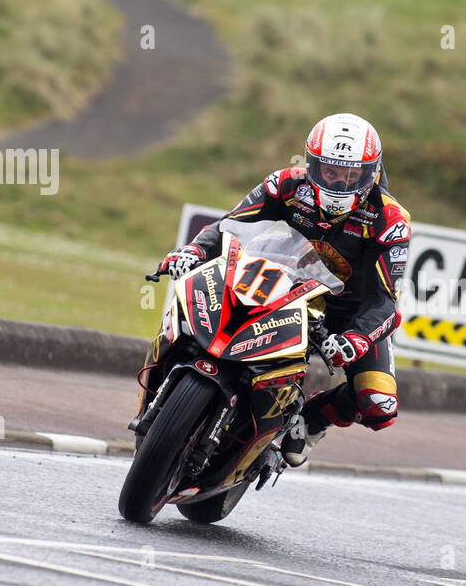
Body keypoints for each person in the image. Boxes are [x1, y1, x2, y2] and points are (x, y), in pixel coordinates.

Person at [157, 113, 411, 467]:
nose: (340, 182)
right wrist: (194, 250)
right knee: (199, 307)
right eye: (331, 172)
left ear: (371, 173)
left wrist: (356, 337)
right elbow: (229, 225)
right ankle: (165, 390)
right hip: (283, 285)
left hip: (347, 315)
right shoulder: (285, 185)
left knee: (379, 405)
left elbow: (385, 301)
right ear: (312, 165)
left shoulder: (391, 220)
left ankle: (309, 422)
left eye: (351, 174)